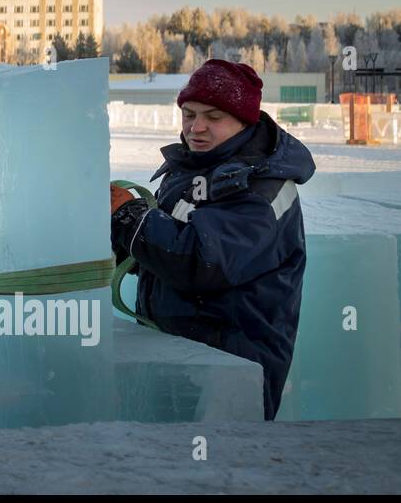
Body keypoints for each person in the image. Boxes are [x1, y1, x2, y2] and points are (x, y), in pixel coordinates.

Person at [110, 59, 315, 420]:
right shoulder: (191, 171)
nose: (196, 127)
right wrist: (119, 242)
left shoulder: (261, 188)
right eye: (188, 114)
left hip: (230, 371)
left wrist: (132, 220)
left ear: (245, 121)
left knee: (217, 472)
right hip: (182, 358)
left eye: (213, 117)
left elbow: (203, 262)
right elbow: (165, 254)